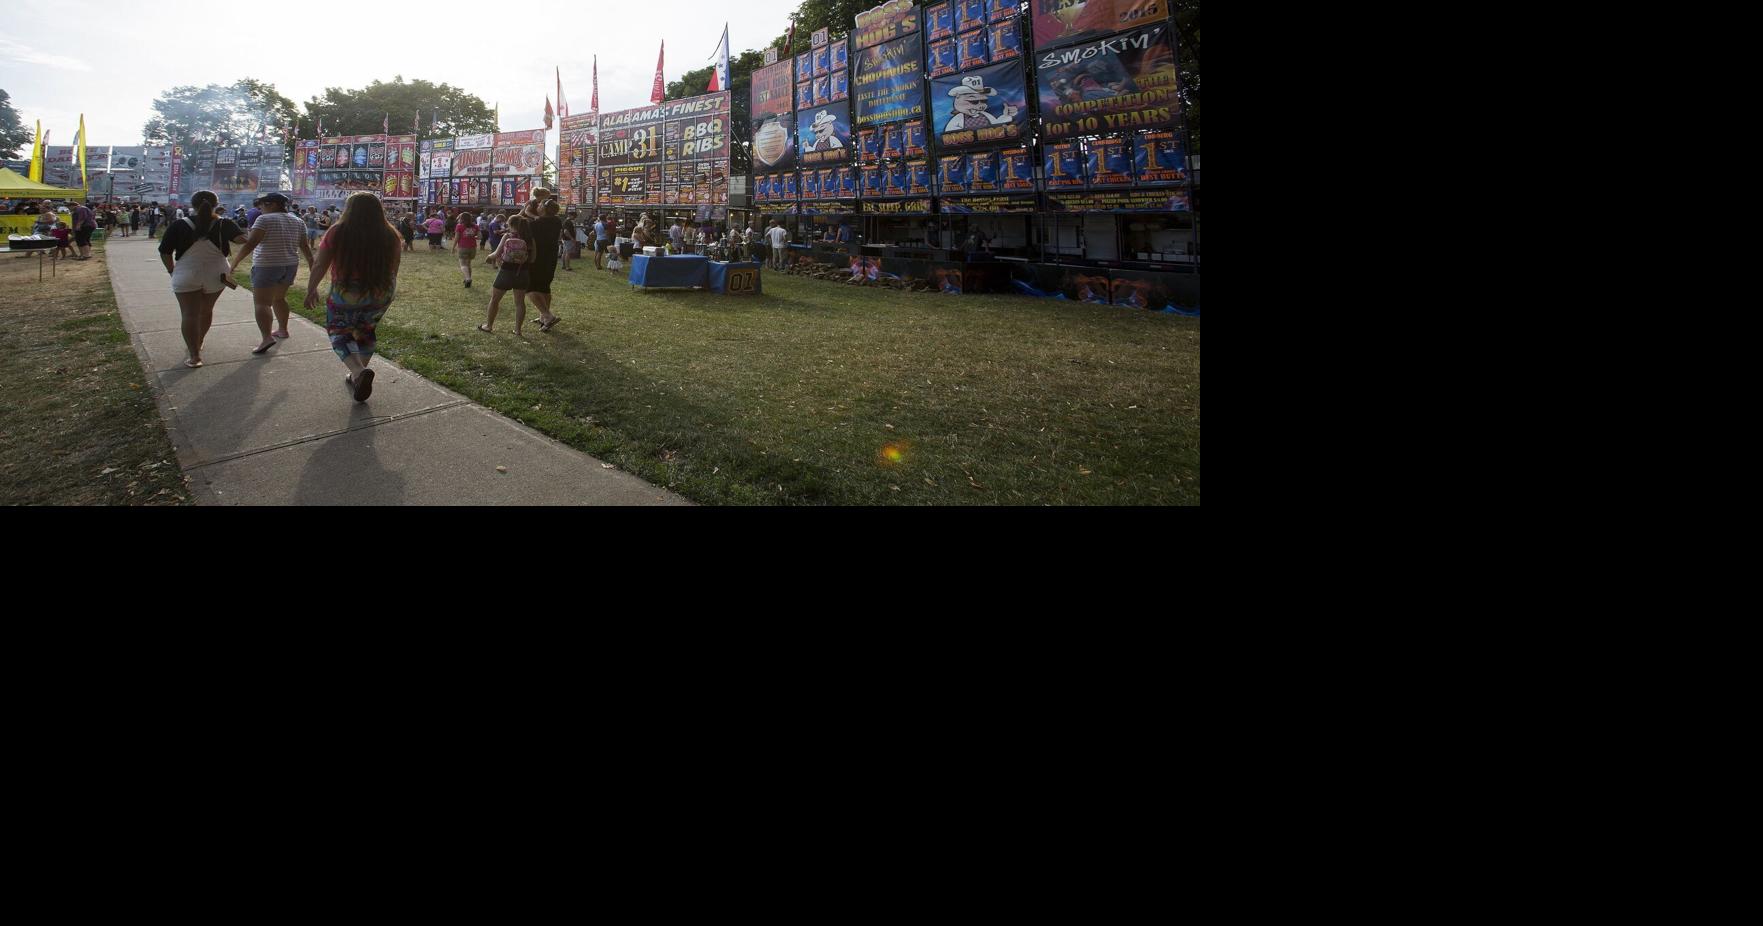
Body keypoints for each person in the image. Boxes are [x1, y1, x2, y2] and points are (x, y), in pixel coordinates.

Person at [304, 192, 402, 402]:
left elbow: (320, 264)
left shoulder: (338, 231)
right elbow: (395, 267)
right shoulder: (390, 234)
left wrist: (311, 288)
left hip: (346, 292)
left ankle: (358, 372)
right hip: (381, 292)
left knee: (339, 330)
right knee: (366, 331)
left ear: (349, 209)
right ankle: (358, 375)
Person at [158, 190, 247, 369]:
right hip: (217, 273)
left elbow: (165, 251)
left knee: (189, 314)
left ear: (193, 205)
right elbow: (242, 240)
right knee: (206, 311)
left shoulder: (179, 225)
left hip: (186, 272)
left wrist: (171, 271)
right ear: (216, 204)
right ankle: (199, 341)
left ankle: (194, 355)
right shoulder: (224, 223)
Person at [228, 192, 313, 355]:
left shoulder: (264, 220)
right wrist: (312, 266)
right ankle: (282, 329)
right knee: (279, 298)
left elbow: (250, 244)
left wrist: (234, 263)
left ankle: (266, 338)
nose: (260, 208)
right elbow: (305, 248)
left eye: (262, 205)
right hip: (289, 265)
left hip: (267, 264)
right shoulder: (298, 221)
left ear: (272, 204)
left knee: (262, 303)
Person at [478, 214, 531, 335]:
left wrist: (488, 257)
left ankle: (489, 326)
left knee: (495, 299)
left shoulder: (507, 236)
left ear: (511, 224)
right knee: (519, 302)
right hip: (523, 272)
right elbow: (533, 258)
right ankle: (518, 330)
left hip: (506, 271)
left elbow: (496, 254)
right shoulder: (529, 238)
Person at [524, 200, 564, 332]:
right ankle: (543, 317)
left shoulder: (535, 224)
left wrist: (526, 210)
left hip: (537, 257)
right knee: (544, 287)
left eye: (540, 205)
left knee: (529, 288)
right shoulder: (557, 221)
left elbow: (521, 223)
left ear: (545, 209)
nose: (538, 206)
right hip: (551, 257)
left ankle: (548, 315)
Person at [454, 211, 478, 287]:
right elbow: (480, 236)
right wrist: (472, 236)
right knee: (468, 264)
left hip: (463, 247)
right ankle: (468, 279)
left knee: (463, 265)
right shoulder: (476, 226)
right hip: (473, 247)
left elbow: (457, 237)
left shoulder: (459, 226)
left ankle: (468, 279)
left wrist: (453, 247)